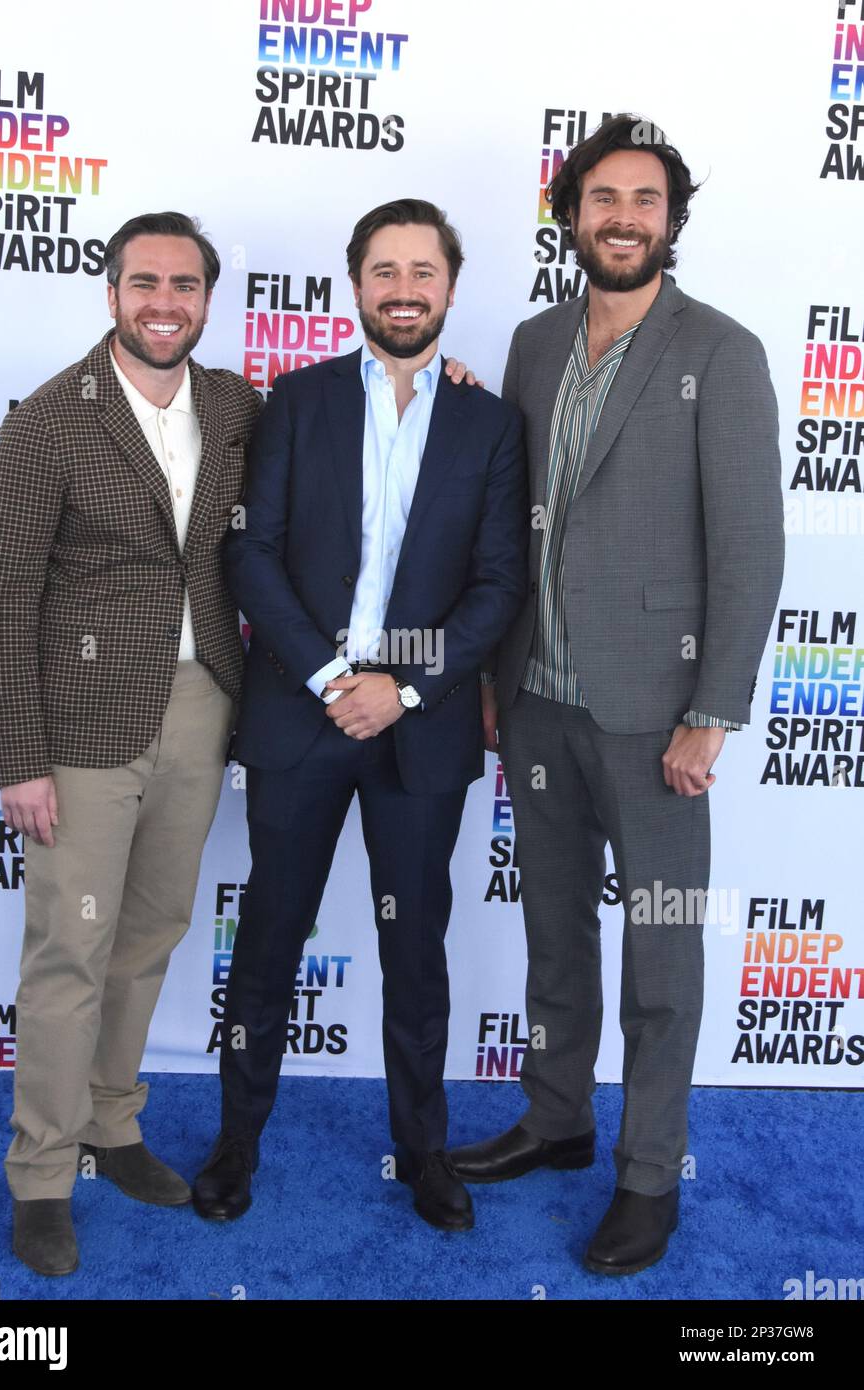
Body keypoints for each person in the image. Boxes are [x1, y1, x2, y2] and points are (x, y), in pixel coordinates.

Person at [448, 115, 785, 1274]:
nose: (624, 218)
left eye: (645, 199)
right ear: (572, 216)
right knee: (552, 937)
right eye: (603, 199)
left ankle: (648, 1172)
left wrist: (714, 710)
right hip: (534, 698)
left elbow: (749, 548)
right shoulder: (536, 342)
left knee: (663, 953)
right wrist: (494, 678)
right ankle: (555, 1119)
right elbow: (507, 513)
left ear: (672, 220)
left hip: (656, 711)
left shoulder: (723, 352)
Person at [192, 198, 529, 1232]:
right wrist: (336, 675)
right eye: (384, 270)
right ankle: (235, 1145)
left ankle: (424, 1153)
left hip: (419, 731)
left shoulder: (489, 420)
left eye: (423, 271)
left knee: (415, 950)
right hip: (302, 716)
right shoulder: (295, 401)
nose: (404, 289)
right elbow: (251, 550)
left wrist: (406, 686)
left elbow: (498, 581)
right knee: (267, 945)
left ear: (451, 288)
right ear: (356, 286)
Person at [0, 211, 262, 1276]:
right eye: (144, 283)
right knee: (69, 955)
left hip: (202, 705)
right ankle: (41, 1173)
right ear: (110, 294)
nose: (164, 303)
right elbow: (4, 599)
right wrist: (19, 756)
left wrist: (439, 375)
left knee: (149, 933)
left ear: (204, 300)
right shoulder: (49, 420)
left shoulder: (235, 405)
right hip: (82, 727)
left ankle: (111, 1119)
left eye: (184, 286)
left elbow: (334, 442)